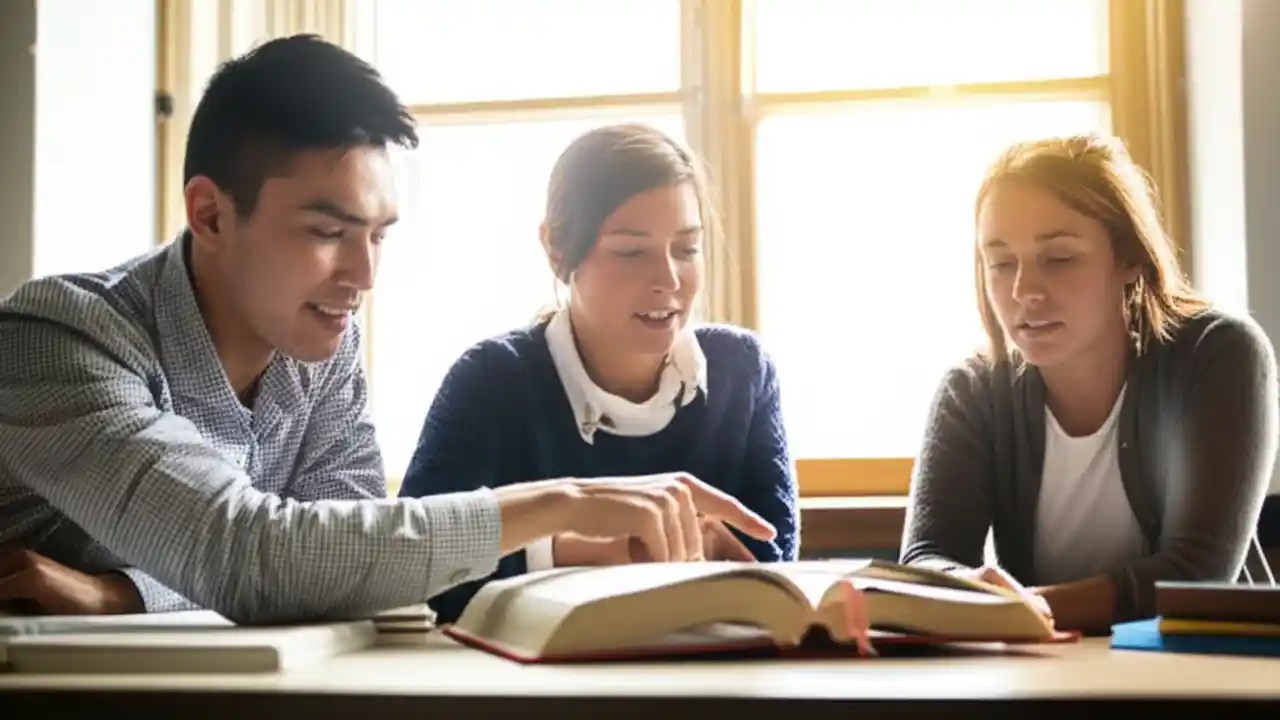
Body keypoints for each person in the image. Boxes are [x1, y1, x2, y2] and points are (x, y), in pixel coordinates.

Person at [0, 36, 774, 623]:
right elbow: (242, 551)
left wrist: (122, 591)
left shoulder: (319, 352)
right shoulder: (59, 340)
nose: (364, 278)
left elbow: (347, 564)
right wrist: (562, 501)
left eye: (379, 234)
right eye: (328, 231)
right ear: (209, 213)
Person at [399, 123, 799, 623]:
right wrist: (573, 549)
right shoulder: (492, 380)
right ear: (557, 249)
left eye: (687, 248)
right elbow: (414, 571)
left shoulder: (743, 371)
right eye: (632, 252)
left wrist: (531, 551)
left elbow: (772, 564)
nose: (669, 279)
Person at [900, 133, 1278, 634]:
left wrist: (1019, 609)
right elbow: (926, 561)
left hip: (1208, 679)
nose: (1023, 291)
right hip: (1050, 681)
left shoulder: (1220, 354)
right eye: (1001, 263)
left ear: (1129, 258)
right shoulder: (972, 391)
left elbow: (1197, 574)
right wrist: (969, 592)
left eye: (1058, 259)